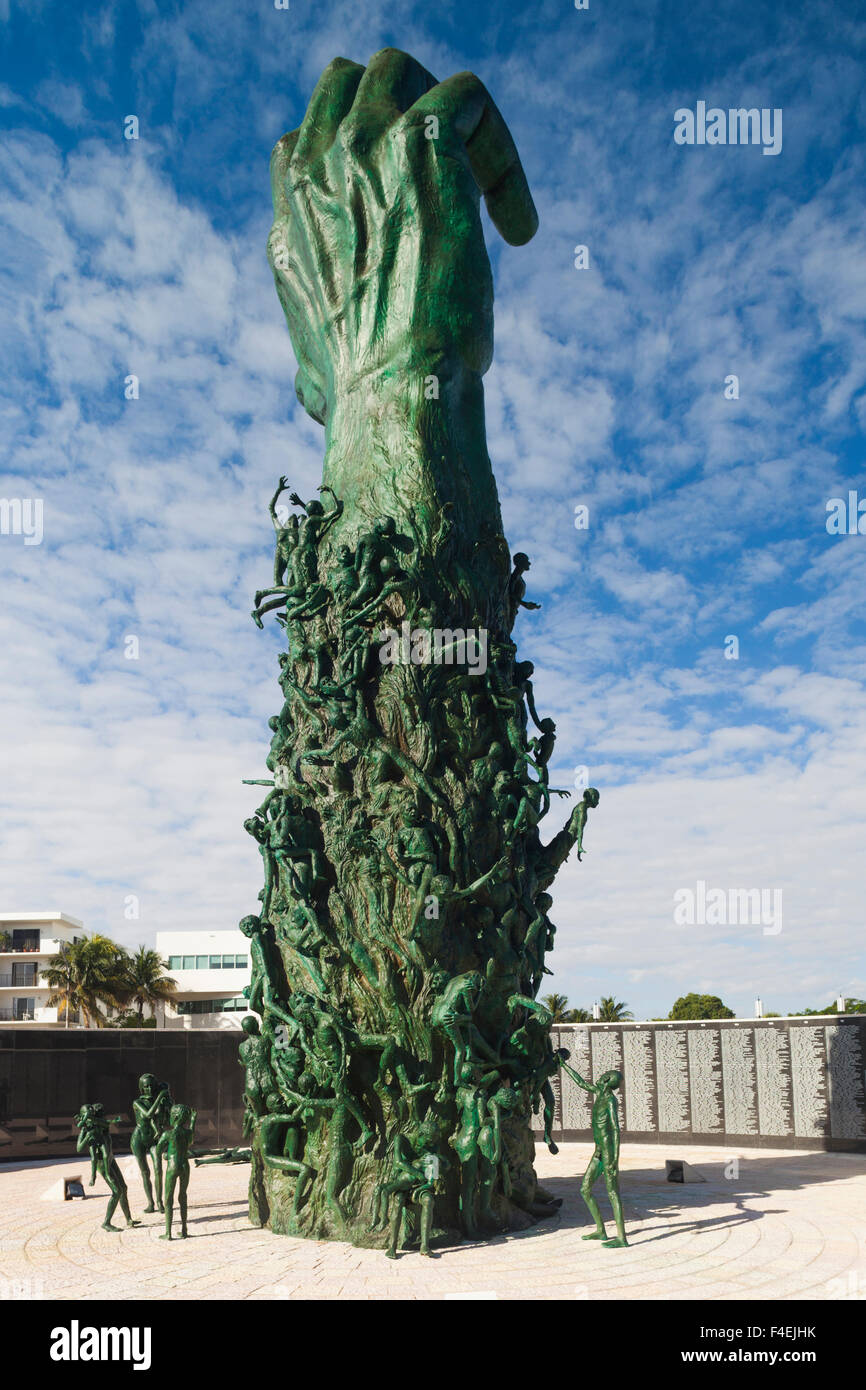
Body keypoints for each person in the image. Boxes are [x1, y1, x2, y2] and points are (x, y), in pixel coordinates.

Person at [560, 1063, 628, 1247]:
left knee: (613, 1192)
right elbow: (580, 1082)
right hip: (598, 1152)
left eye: (604, 1074)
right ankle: (601, 1231)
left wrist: (614, 1159)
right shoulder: (599, 1092)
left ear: (606, 1080)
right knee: (585, 1189)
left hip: (608, 1153)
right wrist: (563, 1065)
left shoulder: (610, 1101)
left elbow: (615, 1130)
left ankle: (622, 1238)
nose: (600, 1076)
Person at [157, 1103, 197, 1241]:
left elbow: (158, 1150)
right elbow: (189, 1142)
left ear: (175, 1116)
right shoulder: (187, 1132)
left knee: (168, 1199)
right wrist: (193, 1121)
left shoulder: (168, 1133)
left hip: (172, 1167)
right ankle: (184, 1229)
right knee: (183, 1196)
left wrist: (165, 1155)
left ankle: (168, 1233)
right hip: (185, 1166)